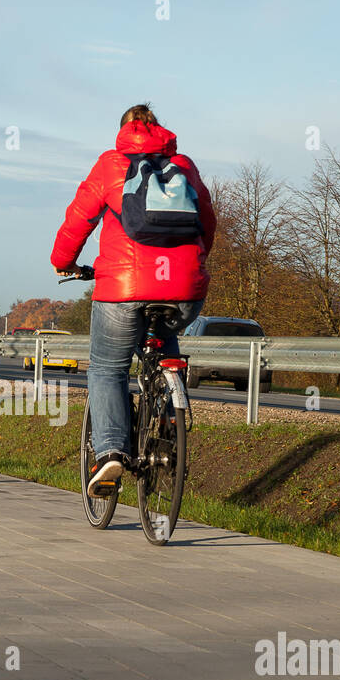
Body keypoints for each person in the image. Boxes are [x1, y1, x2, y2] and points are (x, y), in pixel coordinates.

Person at [51, 103, 216, 495]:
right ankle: (171, 415)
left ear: (124, 130)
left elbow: (79, 219)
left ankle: (110, 452)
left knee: (108, 368)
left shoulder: (111, 164)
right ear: (157, 129)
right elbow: (207, 218)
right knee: (165, 347)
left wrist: (64, 263)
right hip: (185, 290)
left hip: (123, 290)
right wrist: (197, 259)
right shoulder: (184, 165)